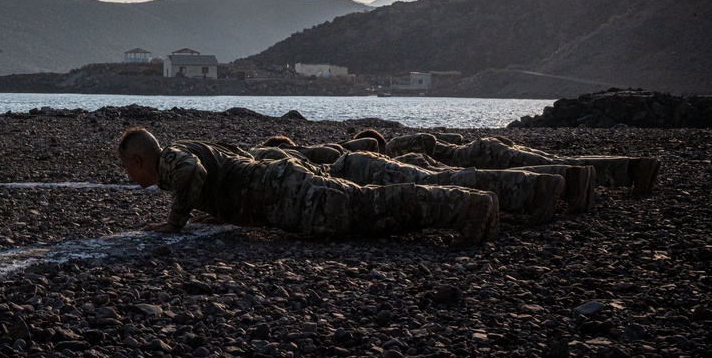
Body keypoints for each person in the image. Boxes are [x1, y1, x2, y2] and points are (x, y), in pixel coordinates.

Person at [118, 128, 500, 248]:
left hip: (284, 194)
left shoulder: (172, 159)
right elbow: (229, 160)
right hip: (281, 181)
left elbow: (193, 171)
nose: (131, 179)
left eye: (128, 170)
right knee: (366, 203)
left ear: (138, 161)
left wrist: (176, 222)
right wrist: (215, 209)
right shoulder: (185, 145)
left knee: (370, 210)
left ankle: (466, 207)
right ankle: (472, 207)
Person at [252, 132, 569, 225]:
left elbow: (365, 144)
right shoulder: (319, 153)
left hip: (360, 171)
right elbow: (368, 143)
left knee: (445, 180)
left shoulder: (288, 157)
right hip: (363, 168)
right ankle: (551, 182)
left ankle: (537, 186)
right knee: (445, 178)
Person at [382, 132, 660, 193]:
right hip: (485, 151)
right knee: (555, 160)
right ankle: (634, 168)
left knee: (558, 162)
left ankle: (635, 168)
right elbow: (449, 136)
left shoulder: (392, 147)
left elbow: (427, 142)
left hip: (484, 156)